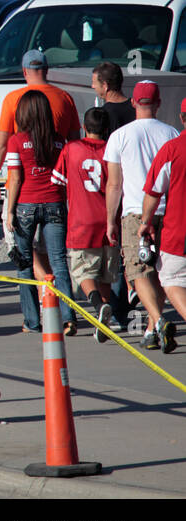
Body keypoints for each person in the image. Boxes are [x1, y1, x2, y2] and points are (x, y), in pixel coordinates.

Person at [104, 80, 177, 350]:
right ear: (158, 104)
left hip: (135, 212)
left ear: (133, 102)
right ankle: (150, 330)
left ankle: (157, 321)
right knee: (159, 272)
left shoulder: (119, 136)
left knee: (138, 272)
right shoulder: (171, 133)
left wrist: (110, 219)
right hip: (167, 211)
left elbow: (114, 184)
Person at [4, 89, 78, 335]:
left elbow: (15, 179)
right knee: (58, 262)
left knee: (24, 264)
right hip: (55, 203)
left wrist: (10, 211)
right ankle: (68, 317)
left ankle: (32, 321)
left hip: (25, 205)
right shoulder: (59, 141)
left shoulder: (16, 141)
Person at [52, 107, 123, 340]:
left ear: (84, 127)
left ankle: (96, 306)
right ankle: (104, 319)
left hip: (82, 221)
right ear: (107, 129)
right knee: (105, 275)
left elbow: (58, 182)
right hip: (110, 220)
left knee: (83, 273)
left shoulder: (71, 149)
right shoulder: (112, 151)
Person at [0, 49, 80, 205]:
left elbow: (1, 144)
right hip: (55, 187)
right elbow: (74, 143)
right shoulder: (65, 98)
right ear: (46, 70)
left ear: (24, 71)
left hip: (21, 187)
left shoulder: (13, 98)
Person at [138, 98, 186, 353]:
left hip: (179, 231)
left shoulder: (172, 150)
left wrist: (145, 222)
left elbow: (154, 192)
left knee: (171, 279)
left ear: (181, 118)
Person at [92, 61, 135, 133]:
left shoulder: (104, 116)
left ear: (105, 86)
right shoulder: (136, 108)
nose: (92, 86)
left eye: (94, 82)